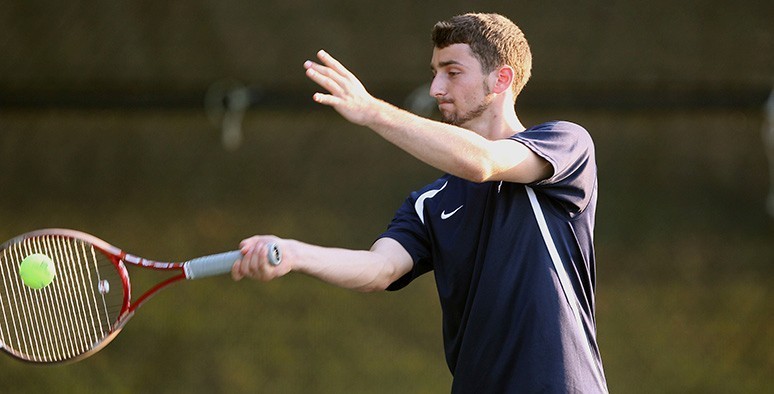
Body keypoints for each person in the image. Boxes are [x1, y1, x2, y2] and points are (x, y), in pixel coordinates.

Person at [232, 12, 608, 393]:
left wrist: (372, 111)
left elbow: (482, 162)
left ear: (502, 78)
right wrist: (294, 254)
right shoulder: (429, 203)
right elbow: (379, 269)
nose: (435, 89)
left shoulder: (565, 144)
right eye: (434, 73)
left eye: (452, 72)